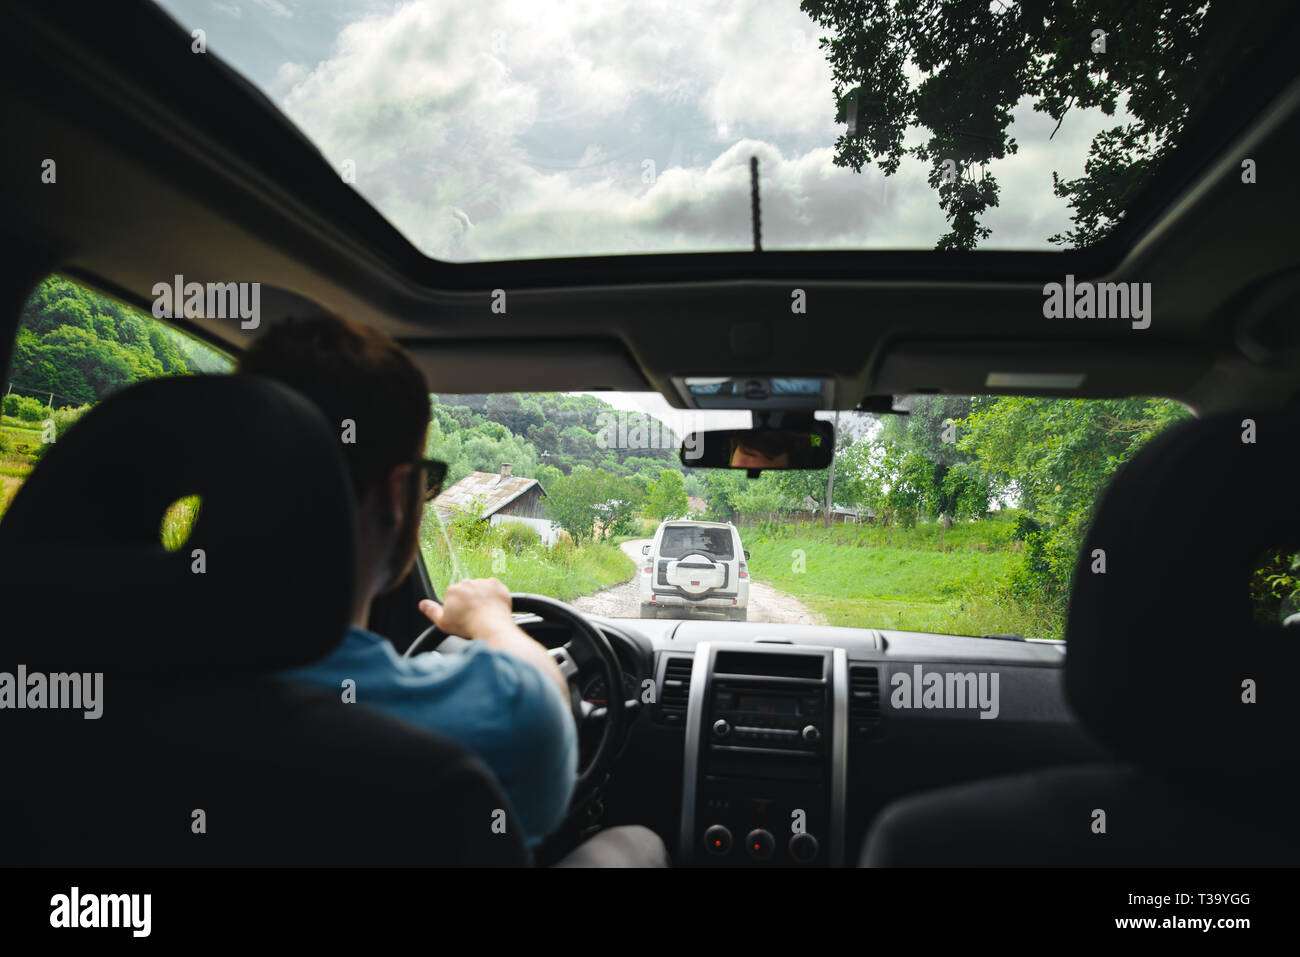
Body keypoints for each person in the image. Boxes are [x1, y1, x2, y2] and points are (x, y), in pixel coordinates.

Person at [240, 315, 666, 865]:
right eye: (426, 480)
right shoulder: (495, 716)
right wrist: (490, 621)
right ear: (399, 496)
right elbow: (545, 698)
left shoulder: (120, 670)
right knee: (637, 844)